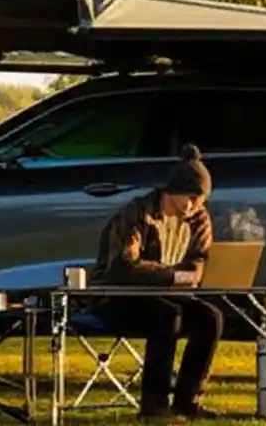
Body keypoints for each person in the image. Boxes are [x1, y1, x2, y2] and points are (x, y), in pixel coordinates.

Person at [90, 144, 223, 420]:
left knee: (211, 318)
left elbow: (199, 257)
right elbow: (122, 267)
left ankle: (188, 400)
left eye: (201, 200)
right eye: (193, 198)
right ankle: (154, 403)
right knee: (167, 315)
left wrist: (196, 275)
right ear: (178, 193)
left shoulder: (198, 220)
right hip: (118, 297)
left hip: (171, 295)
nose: (197, 207)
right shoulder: (138, 213)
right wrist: (171, 276)